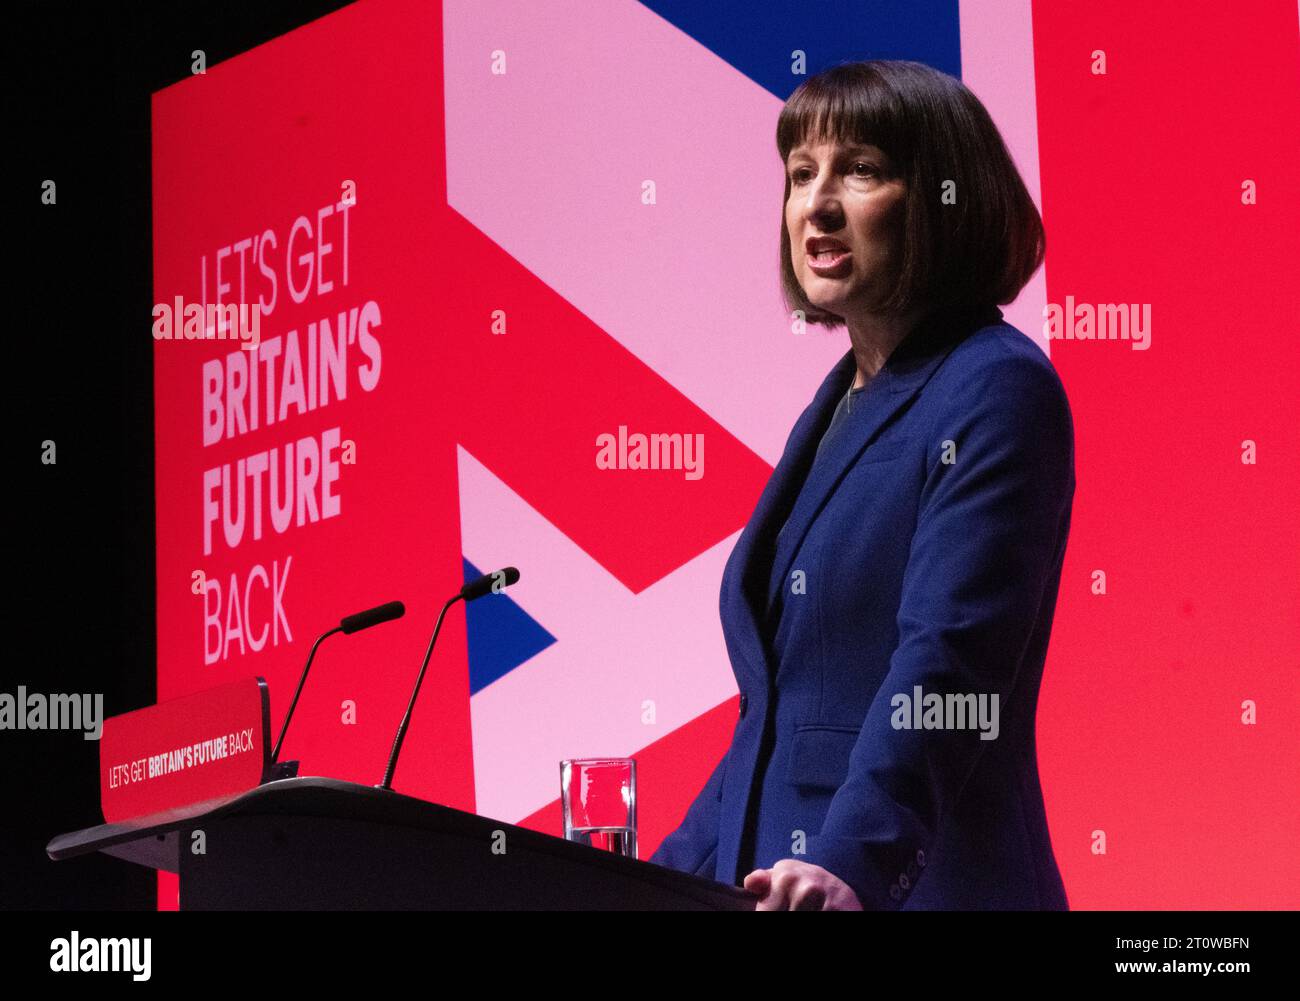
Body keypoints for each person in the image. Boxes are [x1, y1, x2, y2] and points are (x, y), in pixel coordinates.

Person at [649, 60, 1074, 911]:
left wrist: (854, 859)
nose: (817, 203)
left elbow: (949, 666)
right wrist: (640, 884)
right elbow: (777, 724)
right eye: (801, 175)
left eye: (862, 170)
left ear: (946, 200)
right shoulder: (837, 407)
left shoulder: (994, 386)